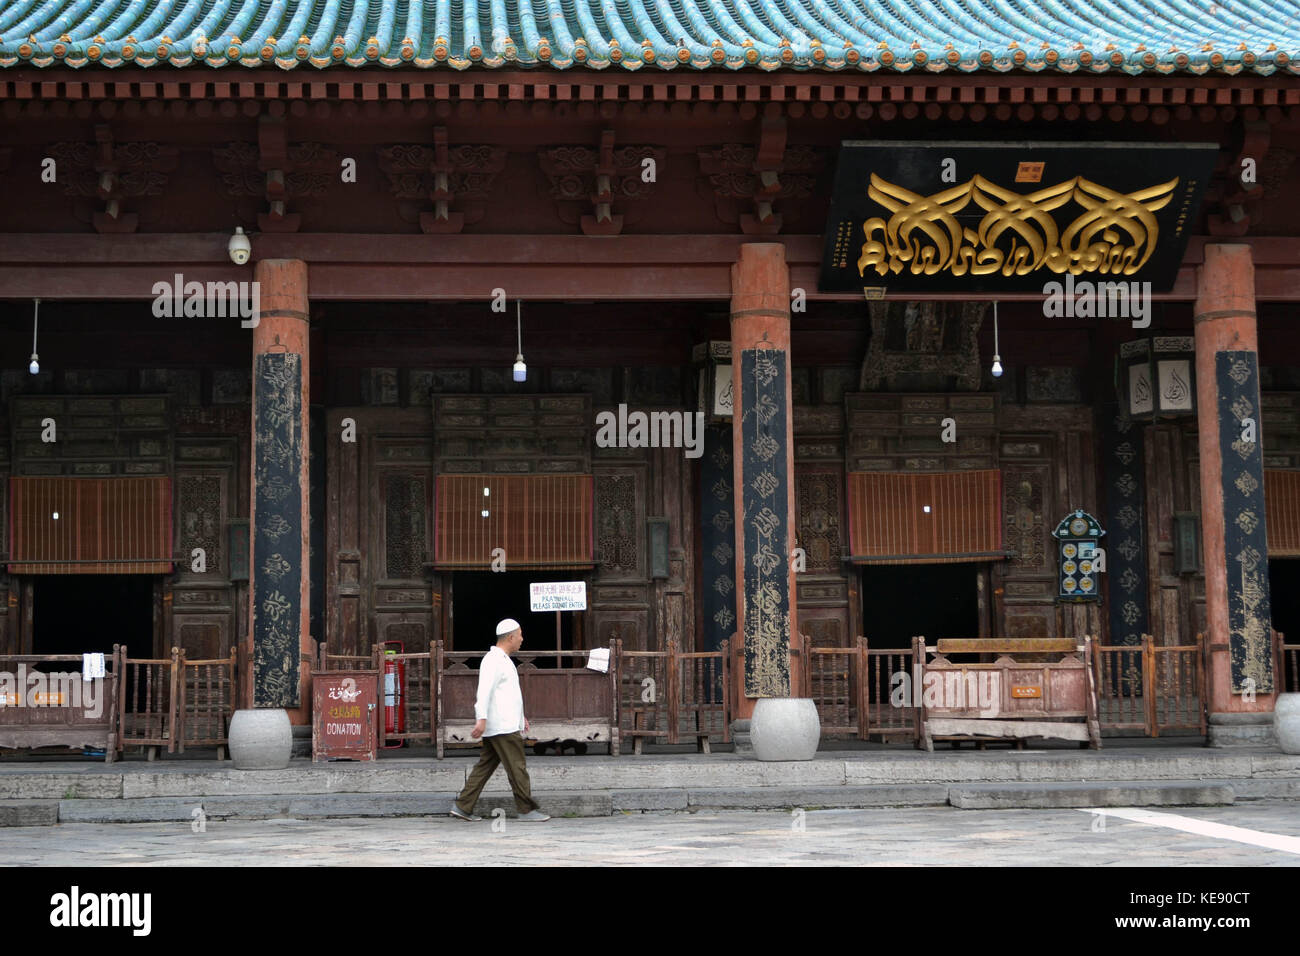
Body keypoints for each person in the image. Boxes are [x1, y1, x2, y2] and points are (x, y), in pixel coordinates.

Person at [449, 618, 551, 822]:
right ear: (511, 636)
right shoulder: (493, 660)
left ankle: (462, 806)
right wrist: (481, 718)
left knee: (485, 765)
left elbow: (509, 695)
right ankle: (526, 810)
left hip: (503, 723)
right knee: (517, 767)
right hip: (502, 726)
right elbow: (484, 691)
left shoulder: (503, 659)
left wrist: (522, 718)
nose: (522, 639)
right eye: (520, 634)